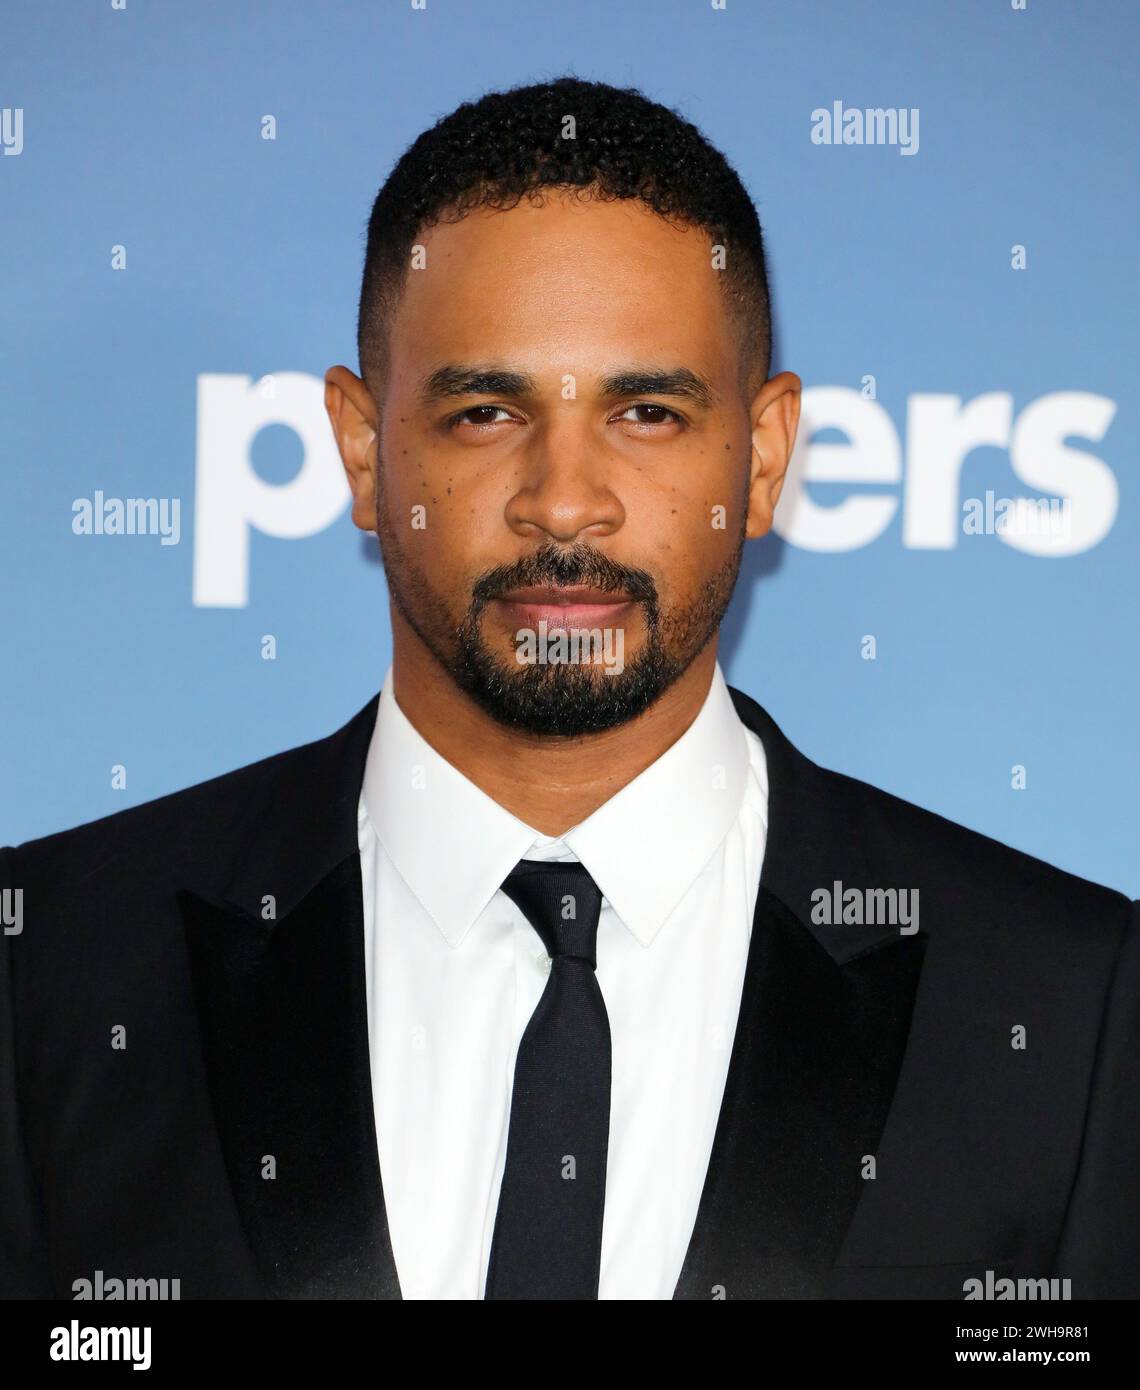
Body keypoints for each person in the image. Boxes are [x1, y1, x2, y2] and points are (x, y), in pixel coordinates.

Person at [2, 78, 1136, 1301]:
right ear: (363, 449)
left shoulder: (1065, 1002)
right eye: (486, 411)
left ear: (761, 460)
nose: (564, 500)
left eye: (647, 412)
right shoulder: (52, 962)